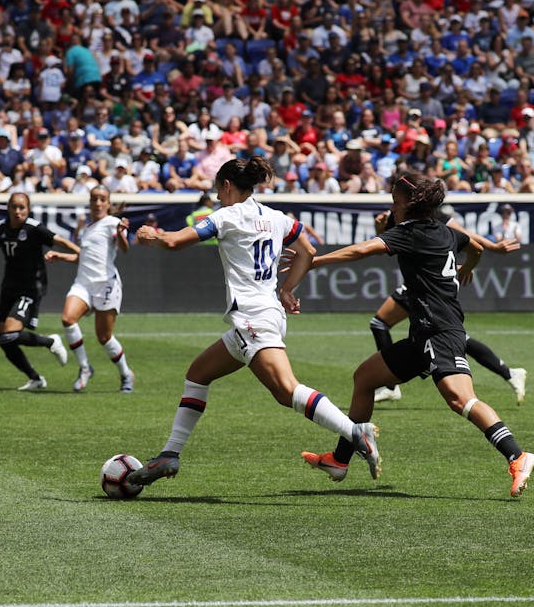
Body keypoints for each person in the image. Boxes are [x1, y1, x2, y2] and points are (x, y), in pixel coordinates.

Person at [125, 157, 379, 487]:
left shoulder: (227, 216)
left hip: (252, 318)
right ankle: (170, 453)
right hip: (265, 313)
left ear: (227, 186)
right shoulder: (276, 218)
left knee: (287, 390)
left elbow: (174, 242)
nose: (217, 196)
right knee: (198, 374)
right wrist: (288, 290)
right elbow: (308, 251)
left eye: (218, 189)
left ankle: (353, 431)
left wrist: (151, 235)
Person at [300, 172, 534, 497]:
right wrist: (468, 267)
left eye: (395, 202)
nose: (392, 207)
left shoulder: (408, 233)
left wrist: (313, 262)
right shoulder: (446, 231)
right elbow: (477, 248)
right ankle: (340, 460)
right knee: (366, 378)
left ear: (410, 205)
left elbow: (361, 250)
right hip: (422, 333)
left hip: (440, 330)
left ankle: (518, 455)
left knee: (461, 399)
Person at [367, 206, 528, 405]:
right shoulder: (401, 211)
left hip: (429, 281)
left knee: (392, 325)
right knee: (448, 334)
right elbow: (386, 247)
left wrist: (493, 247)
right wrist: (379, 228)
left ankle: (392, 386)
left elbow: (465, 234)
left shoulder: (426, 212)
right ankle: (509, 373)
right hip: (419, 279)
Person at [0, 193, 78, 391]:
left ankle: (51, 342)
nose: (18, 211)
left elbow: (58, 240)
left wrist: (79, 252)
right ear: (8, 208)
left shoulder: (34, 228)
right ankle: (35, 379)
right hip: (9, 287)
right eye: (14, 207)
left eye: (22, 207)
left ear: (28, 209)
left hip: (31, 287)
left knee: (11, 334)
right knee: (4, 340)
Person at [45, 186, 135, 393]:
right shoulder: (87, 228)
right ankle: (85, 368)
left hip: (106, 285)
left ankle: (125, 374)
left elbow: (124, 249)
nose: (98, 203)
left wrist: (122, 234)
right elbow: (83, 258)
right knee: (68, 319)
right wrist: (61, 257)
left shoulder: (113, 223)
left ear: (108, 203)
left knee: (104, 337)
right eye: (94, 199)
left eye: (102, 199)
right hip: (83, 283)